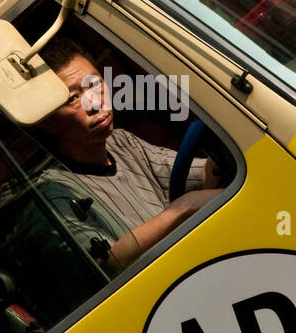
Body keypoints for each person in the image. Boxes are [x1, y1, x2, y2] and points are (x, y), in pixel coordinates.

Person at [36, 37, 221, 269]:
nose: (94, 103)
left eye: (95, 84)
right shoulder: (56, 190)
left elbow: (203, 175)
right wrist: (183, 209)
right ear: (47, 121)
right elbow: (108, 264)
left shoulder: (121, 142)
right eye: (73, 98)